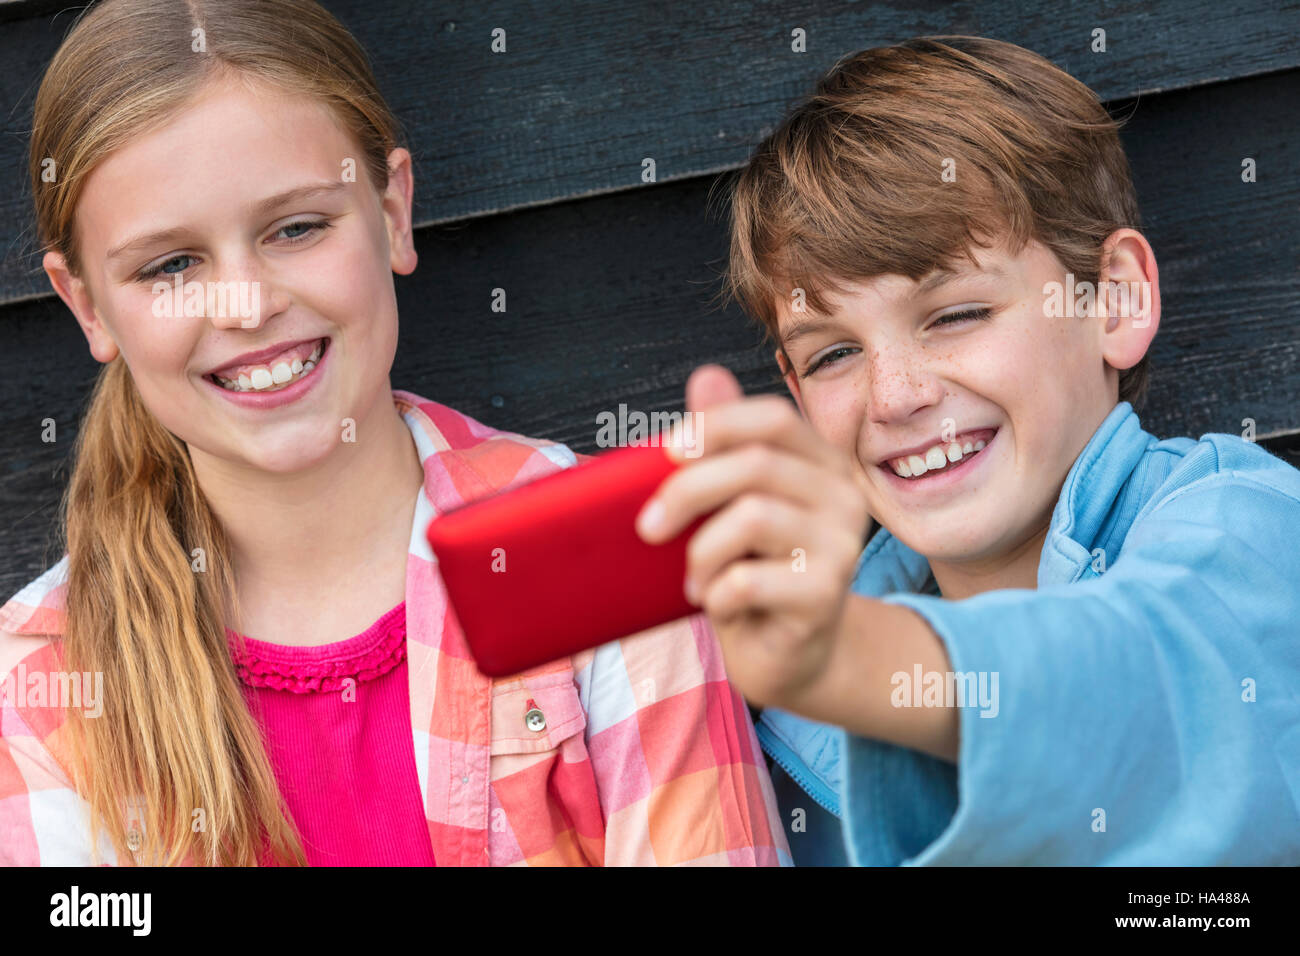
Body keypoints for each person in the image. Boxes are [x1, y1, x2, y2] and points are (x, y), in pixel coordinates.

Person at [0, 0, 789, 867]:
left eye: (296, 228)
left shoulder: (604, 547)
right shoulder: (38, 680)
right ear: (87, 306)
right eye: (171, 265)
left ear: (393, 211)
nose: (248, 304)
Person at [636, 36, 1300, 864]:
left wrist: (846, 659)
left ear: (1116, 300)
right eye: (833, 354)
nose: (896, 396)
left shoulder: (1247, 528)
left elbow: (1146, 680)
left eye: (956, 315)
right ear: (796, 392)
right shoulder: (771, 729)